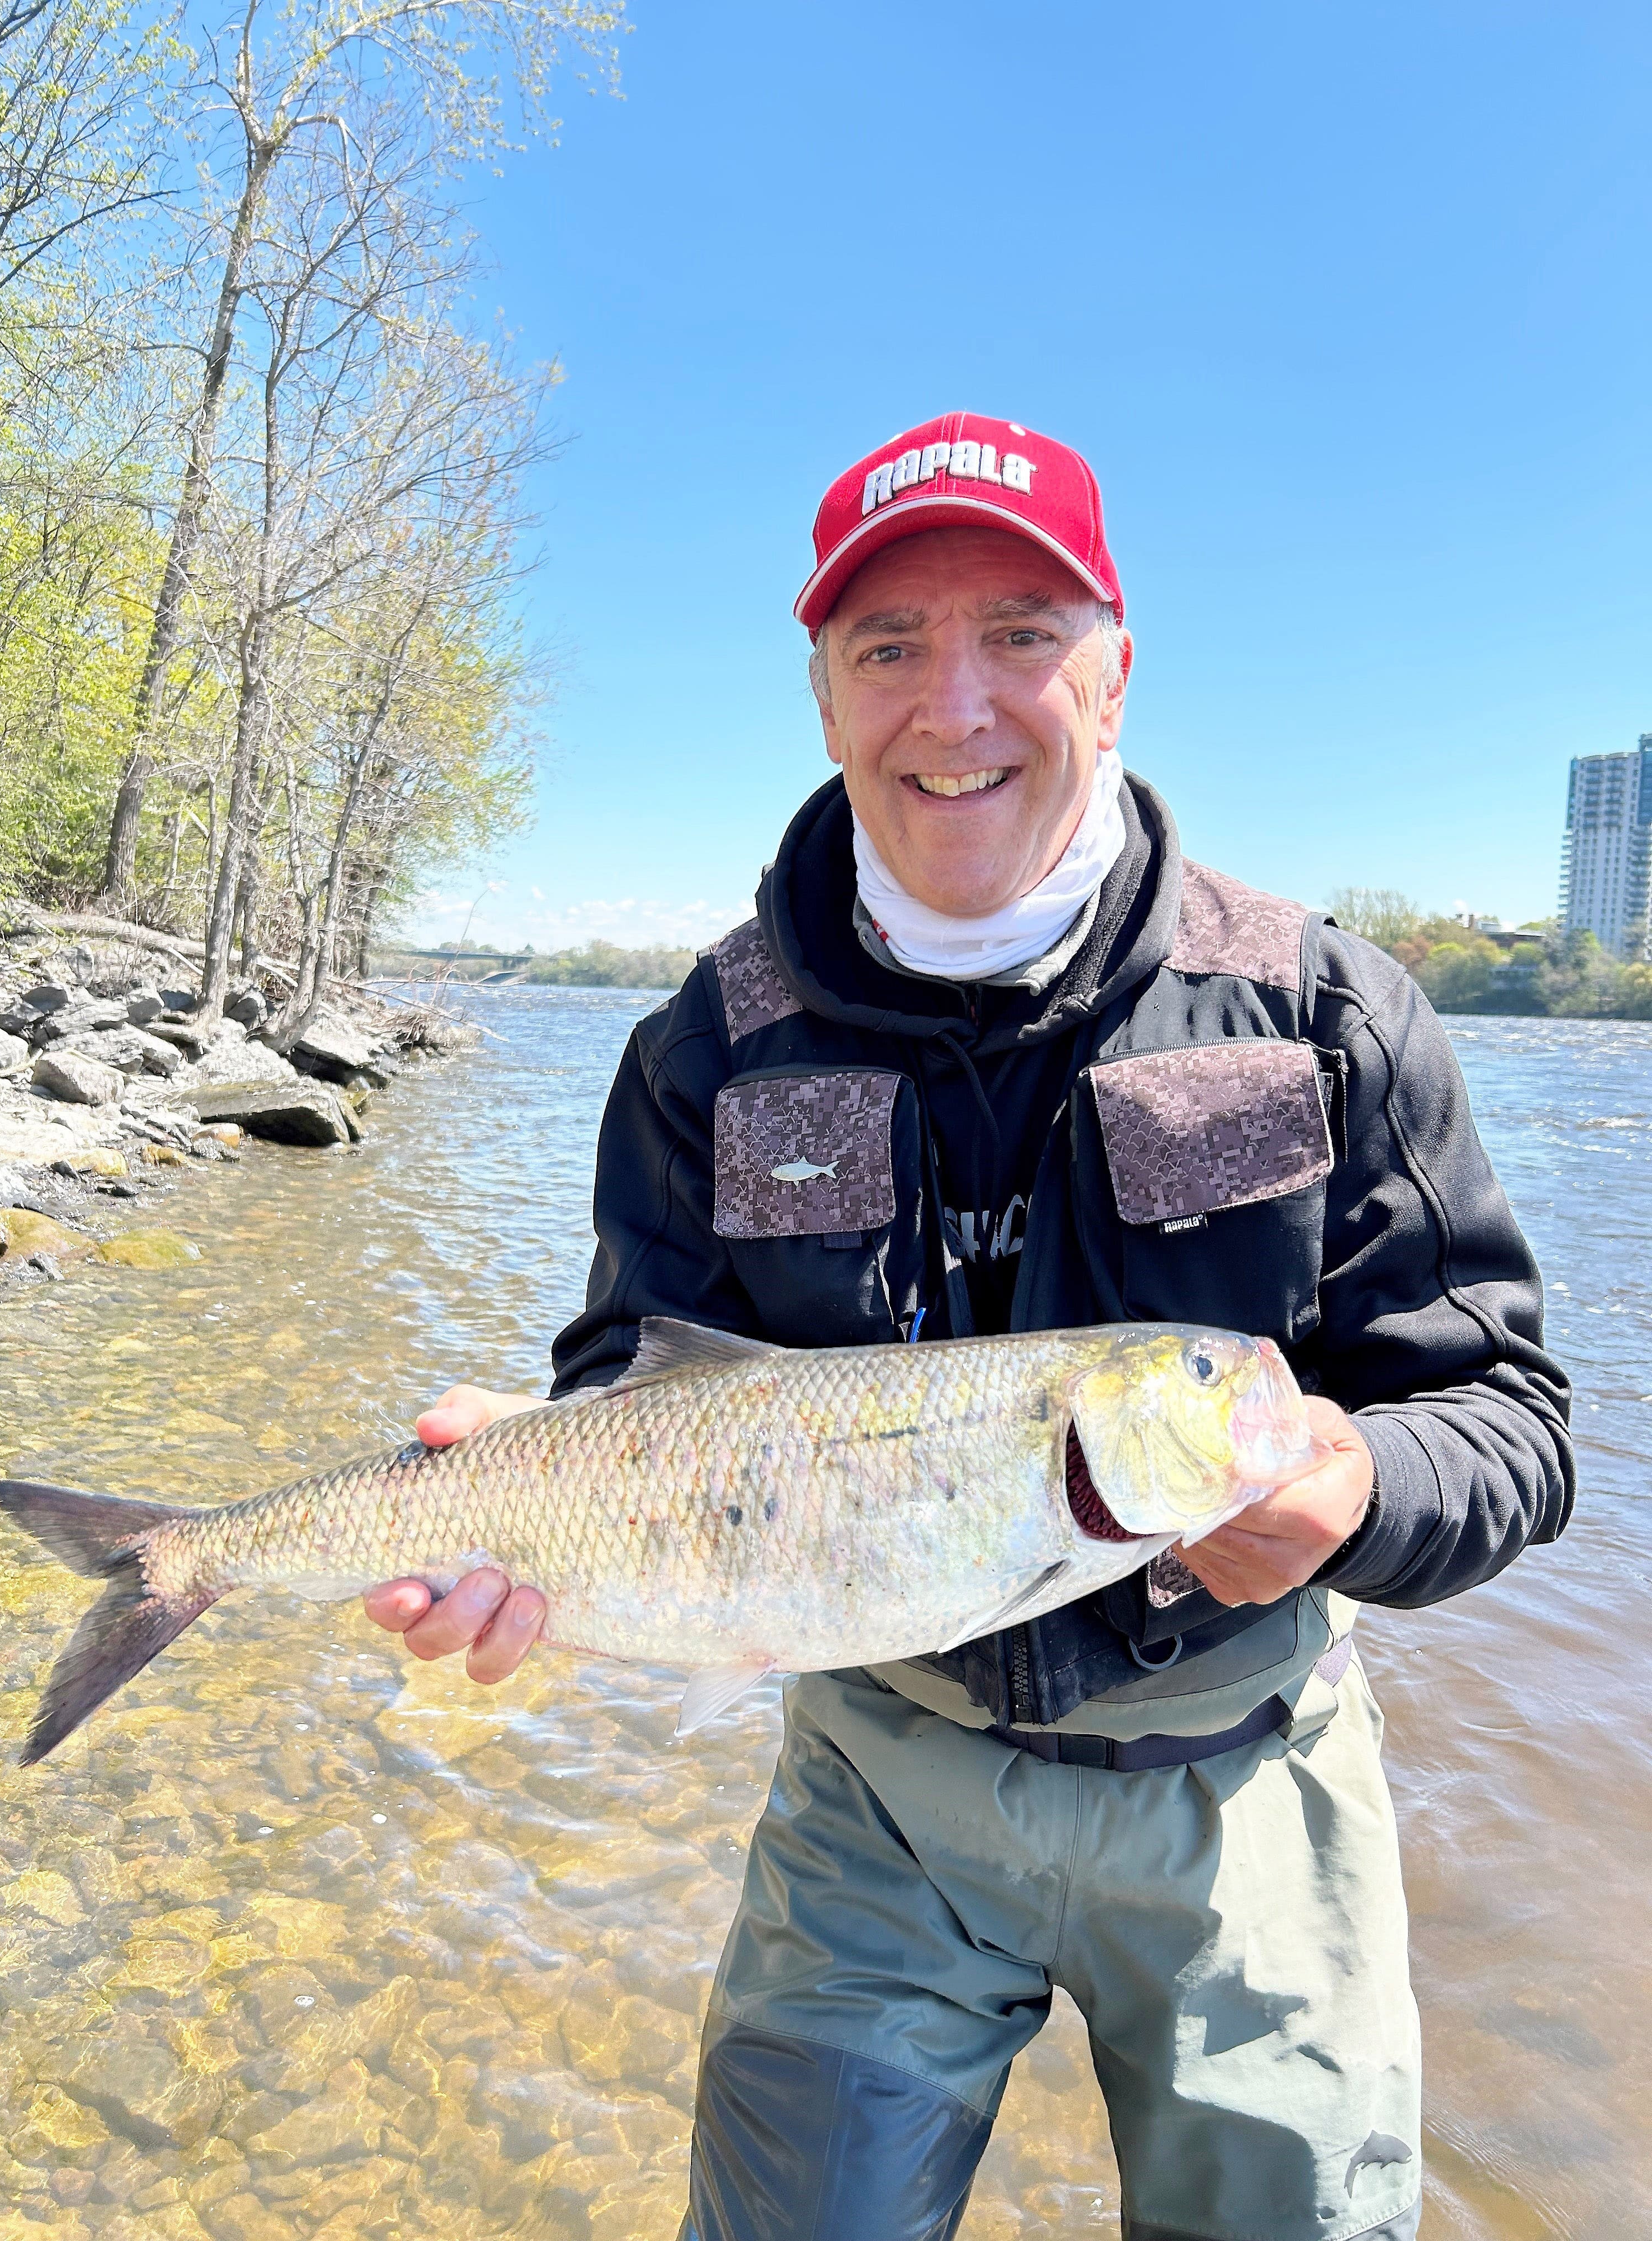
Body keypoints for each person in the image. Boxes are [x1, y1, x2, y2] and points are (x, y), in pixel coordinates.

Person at [364, 412, 1574, 2241]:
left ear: (1116, 673)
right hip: (876, 1785)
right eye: (887, 648)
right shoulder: (706, 1048)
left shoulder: (1326, 1006)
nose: (955, 708)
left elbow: (1508, 1417)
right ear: (826, 698)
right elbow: (634, 1377)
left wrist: (1361, 1490)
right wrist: (534, 1521)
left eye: (1019, 634)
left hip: (1247, 1783)